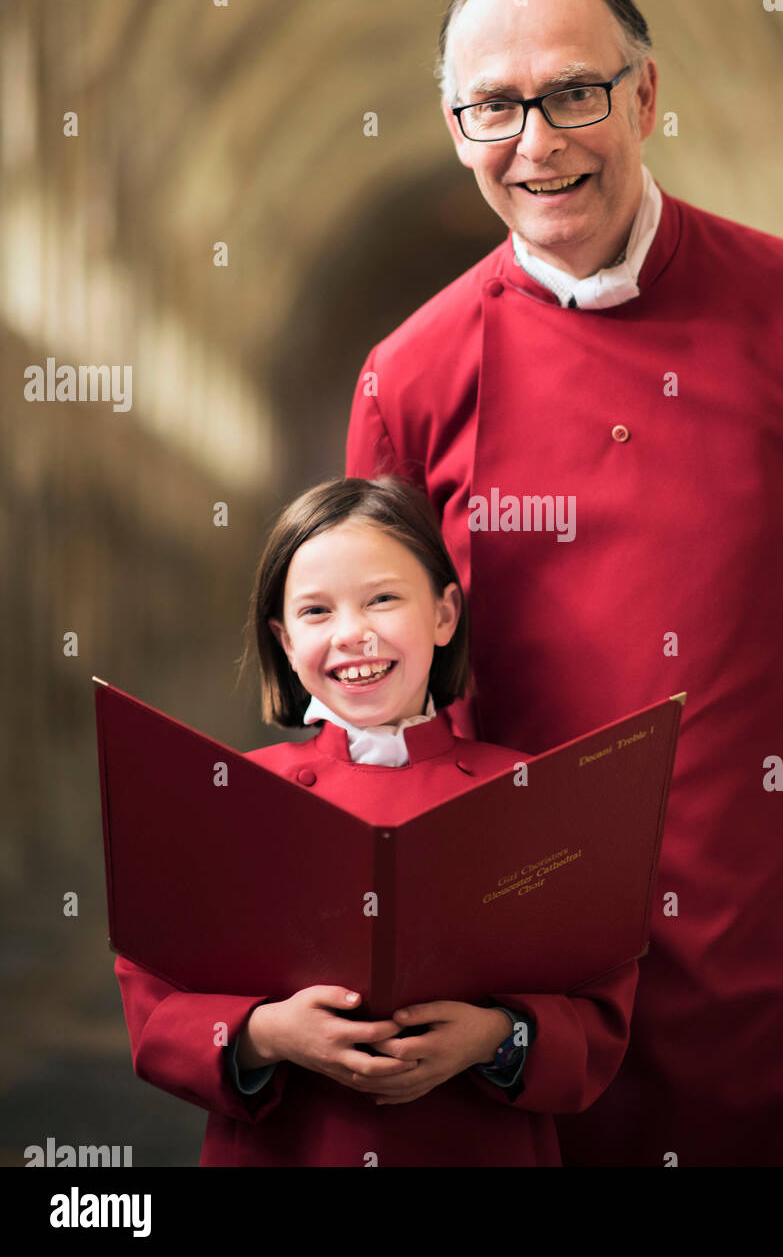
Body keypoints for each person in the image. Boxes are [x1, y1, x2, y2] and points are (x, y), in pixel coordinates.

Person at [343, 0, 783, 1165]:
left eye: (574, 93)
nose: (536, 143)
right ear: (454, 124)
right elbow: (382, 686)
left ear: (644, 98)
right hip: (541, 974)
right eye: (495, 106)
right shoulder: (409, 377)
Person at [114, 475, 638, 1166]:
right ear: (283, 637)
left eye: (383, 598)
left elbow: (601, 1013)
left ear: (445, 614)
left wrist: (492, 1036)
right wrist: (267, 1033)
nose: (353, 635)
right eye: (315, 612)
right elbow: (154, 1010)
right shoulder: (229, 793)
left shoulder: (533, 791)